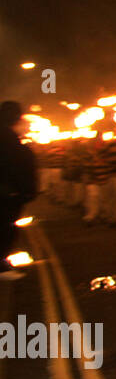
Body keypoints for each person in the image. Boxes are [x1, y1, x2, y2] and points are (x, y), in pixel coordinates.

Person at [0, 102, 36, 280]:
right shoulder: (9, 140)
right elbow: (16, 164)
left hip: (8, 191)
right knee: (6, 228)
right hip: (7, 193)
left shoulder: (9, 138)